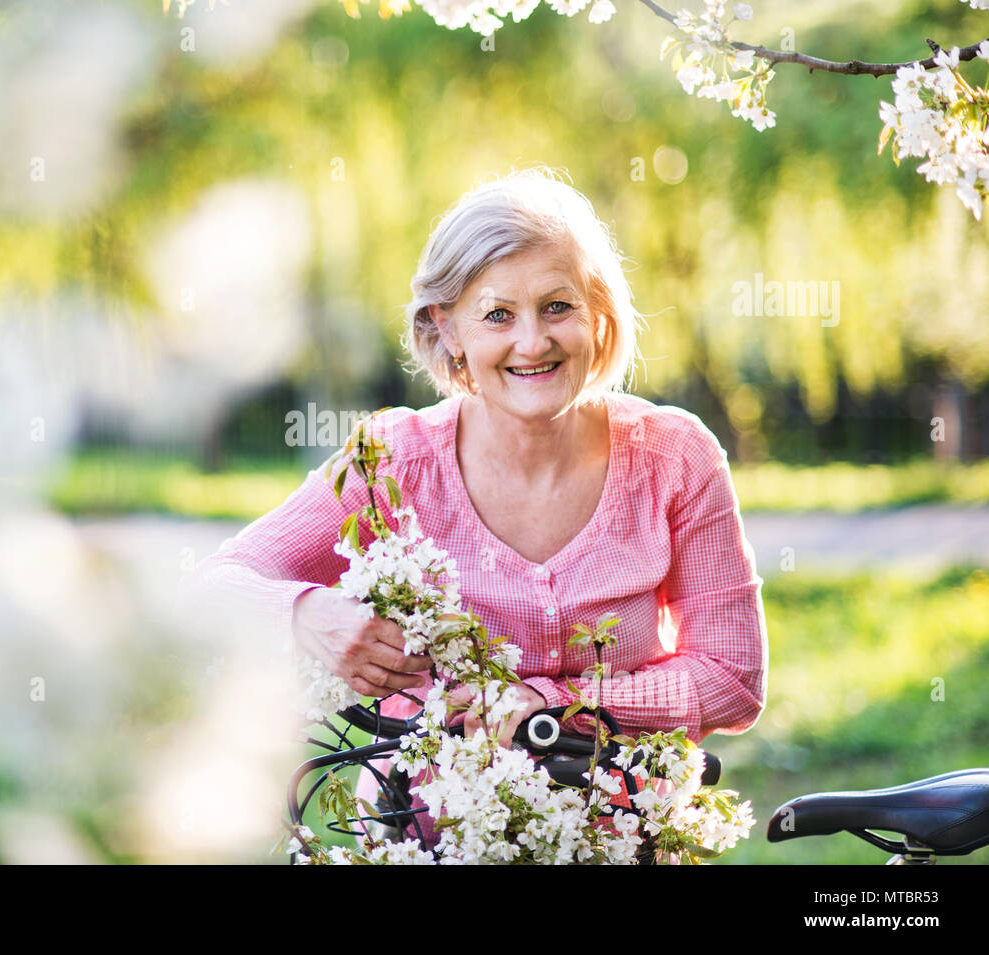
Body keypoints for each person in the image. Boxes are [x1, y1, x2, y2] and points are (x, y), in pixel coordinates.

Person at [186, 164, 767, 825]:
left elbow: (732, 678)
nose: (533, 341)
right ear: (449, 329)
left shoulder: (675, 457)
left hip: (620, 836)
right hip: (429, 836)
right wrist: (307, 614)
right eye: (497, 315)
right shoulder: (391, 463)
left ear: (598, 312)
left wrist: (553, 708)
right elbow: (212, 586)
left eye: (558, 306)